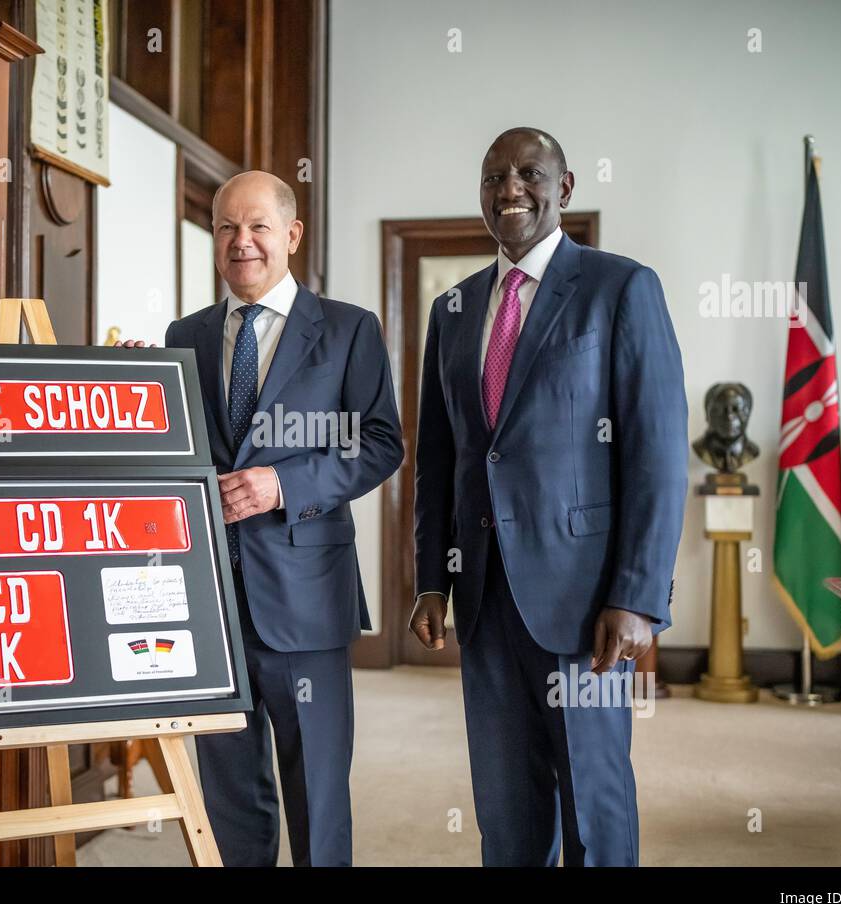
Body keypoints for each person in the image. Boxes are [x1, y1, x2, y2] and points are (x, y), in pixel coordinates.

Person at [408, 128, 687, 866]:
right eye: (494, 176)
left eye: (529, 174)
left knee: (592, 801)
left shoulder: (620, 287)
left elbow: (657, 456)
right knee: (506, 808)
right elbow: (442, 457)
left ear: (563, 189)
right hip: (485, 597)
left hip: (587, 605)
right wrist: (432, 578)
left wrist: (638, 596)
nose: (510, 189)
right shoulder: (455, 310)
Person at [131, 170, 402, 865]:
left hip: (306, 596)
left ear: (291, 234)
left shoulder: (348, 330)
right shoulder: (182, 335)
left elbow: (377, 443)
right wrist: (131, 390)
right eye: (226, 227)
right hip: (210, 600)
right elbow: (173, 453)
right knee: (229, 792)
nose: (241, 242)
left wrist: (282, 483)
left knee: (317, 788)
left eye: (256, 227)